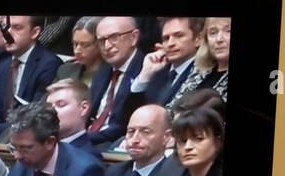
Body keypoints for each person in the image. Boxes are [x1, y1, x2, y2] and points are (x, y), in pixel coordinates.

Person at [0, 16, 62, 130]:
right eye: (6, 27)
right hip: (1, 136)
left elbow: (35, 118)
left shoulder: (48, 65)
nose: (7, 33)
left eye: (17, 28)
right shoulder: (2, 65)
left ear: (34, 33)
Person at [86, 16, 145, 148]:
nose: (107, 46)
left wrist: (85, 136)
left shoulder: (146, 69)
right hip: (90, 138)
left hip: (117, 143)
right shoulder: (104, 68)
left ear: (133, 37)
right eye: (101, 40)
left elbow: (123, 124)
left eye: (114, 37)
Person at [127, 16, 204, 111]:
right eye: (166, 38)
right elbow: (131, 115)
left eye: (179, 36)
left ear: (198, 39)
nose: (170, 43)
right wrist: (145, 76)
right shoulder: (159, 73)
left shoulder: (202, 74)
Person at [172, 17, 230, 105]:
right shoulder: (199, 70)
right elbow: (174, 106)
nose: (219, 39)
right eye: (213, 33)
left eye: (228, 31)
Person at [44, 79, 96, 153]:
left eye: (60, 104)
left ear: (83, 108)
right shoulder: (40, 150)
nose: (50, 111)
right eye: (49, 106)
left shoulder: (88, 157)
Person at [54, 16, 104, 89]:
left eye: (85, 45)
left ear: (99, 44)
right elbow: (47, 98)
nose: (77, 51)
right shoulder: (65, 70)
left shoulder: (112, 73)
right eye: (75, 44)